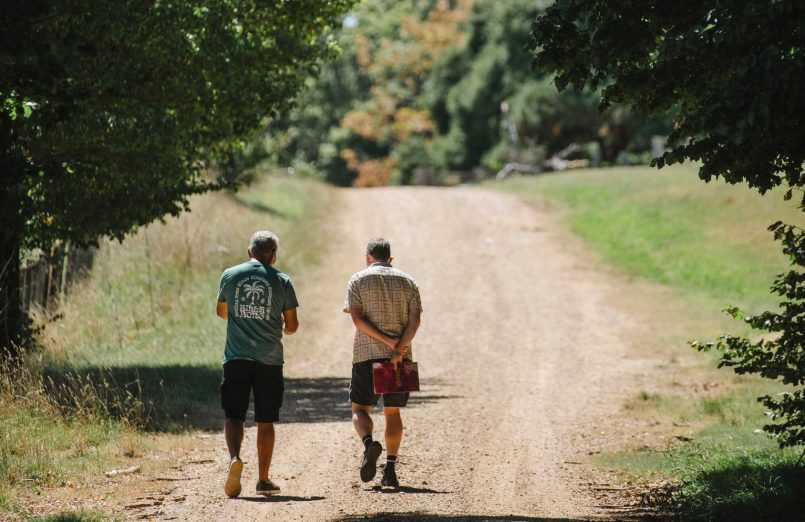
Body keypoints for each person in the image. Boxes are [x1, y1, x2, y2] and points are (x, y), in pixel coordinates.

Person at [216, 230, 299, 498]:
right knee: (265, 420)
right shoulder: (282, 281)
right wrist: (281, 327)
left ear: (248, 251)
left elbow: (221, 312)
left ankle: (234, 458)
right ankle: (263, 479)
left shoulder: (229, 275)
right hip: (269, 360)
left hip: (236, 358)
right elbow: (293, 325)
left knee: (234, 414)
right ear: (273, 255)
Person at [343, 237, 422, 487]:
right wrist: (398, 348)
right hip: (399, 360)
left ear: (368, 258)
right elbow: (415, 321)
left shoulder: (357, 279)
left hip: (366, 355)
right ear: (390, 259)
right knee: (393, 412)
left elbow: (358, 321)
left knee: (359, 408)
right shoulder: (409, 281)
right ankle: (390, 469)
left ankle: (368, 443)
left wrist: (386, 341)